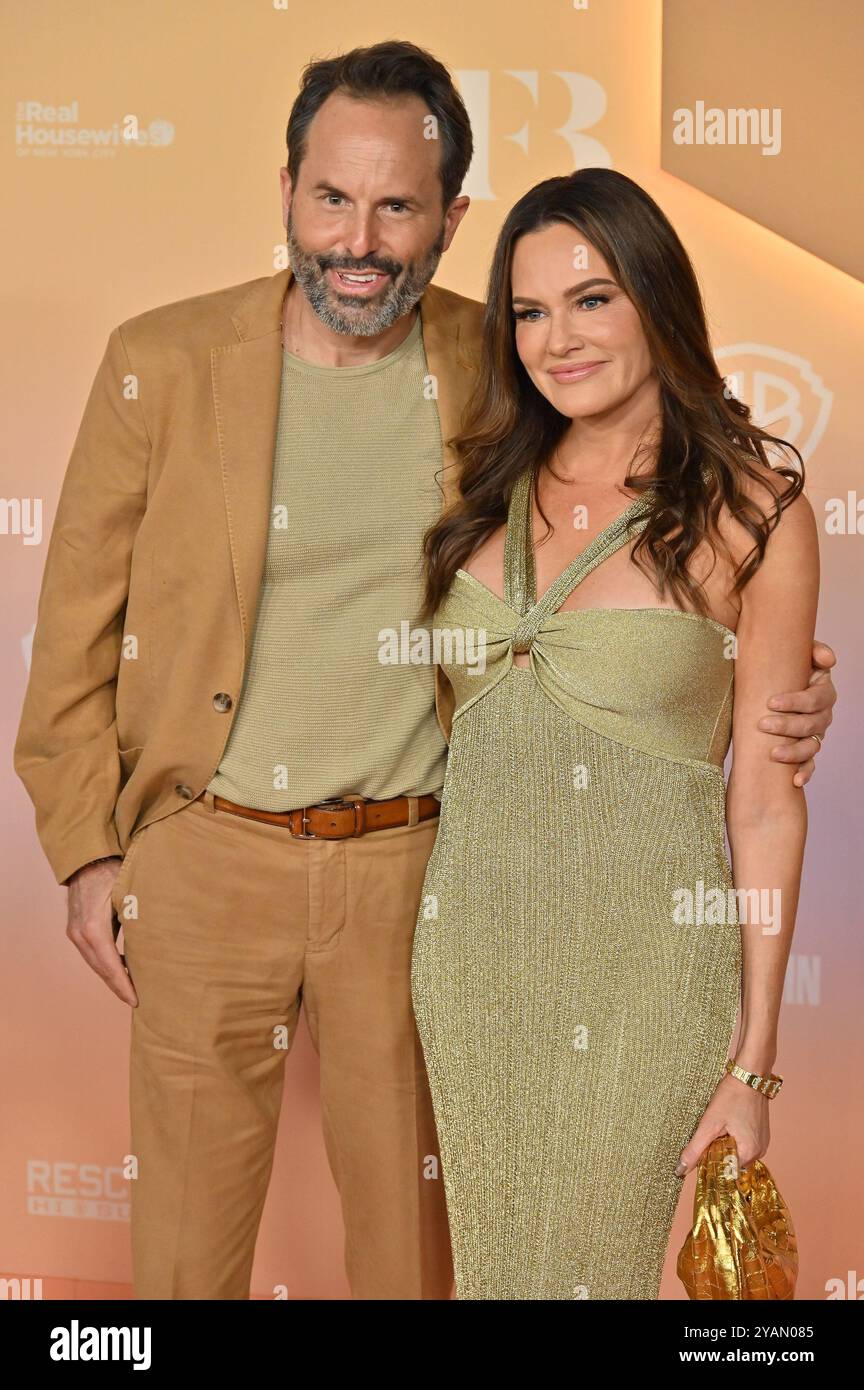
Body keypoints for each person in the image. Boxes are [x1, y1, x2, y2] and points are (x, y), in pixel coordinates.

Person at [14, 44, 833, 1301]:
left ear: (450, 221)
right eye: (331, 197)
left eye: (397, 205)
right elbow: (71, 630)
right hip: (206, 855)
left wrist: (759, 678)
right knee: (181, 1256)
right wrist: (87, 849)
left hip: (415, 867)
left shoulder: (490, 366)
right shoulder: (163, 361)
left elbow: (663, 589)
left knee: (418, 1253)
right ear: (285, 189)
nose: (359, 237)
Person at [411, 167, 821, 1300]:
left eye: (591, 298)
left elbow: (766, 796)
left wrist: (756, 1061)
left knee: (591, 1271)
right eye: (530, 311)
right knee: (498, 1275)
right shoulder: (482, 485)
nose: (558, 337)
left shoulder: (756, 505)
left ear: (655, 296)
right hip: (472, 959)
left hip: (649, 968)